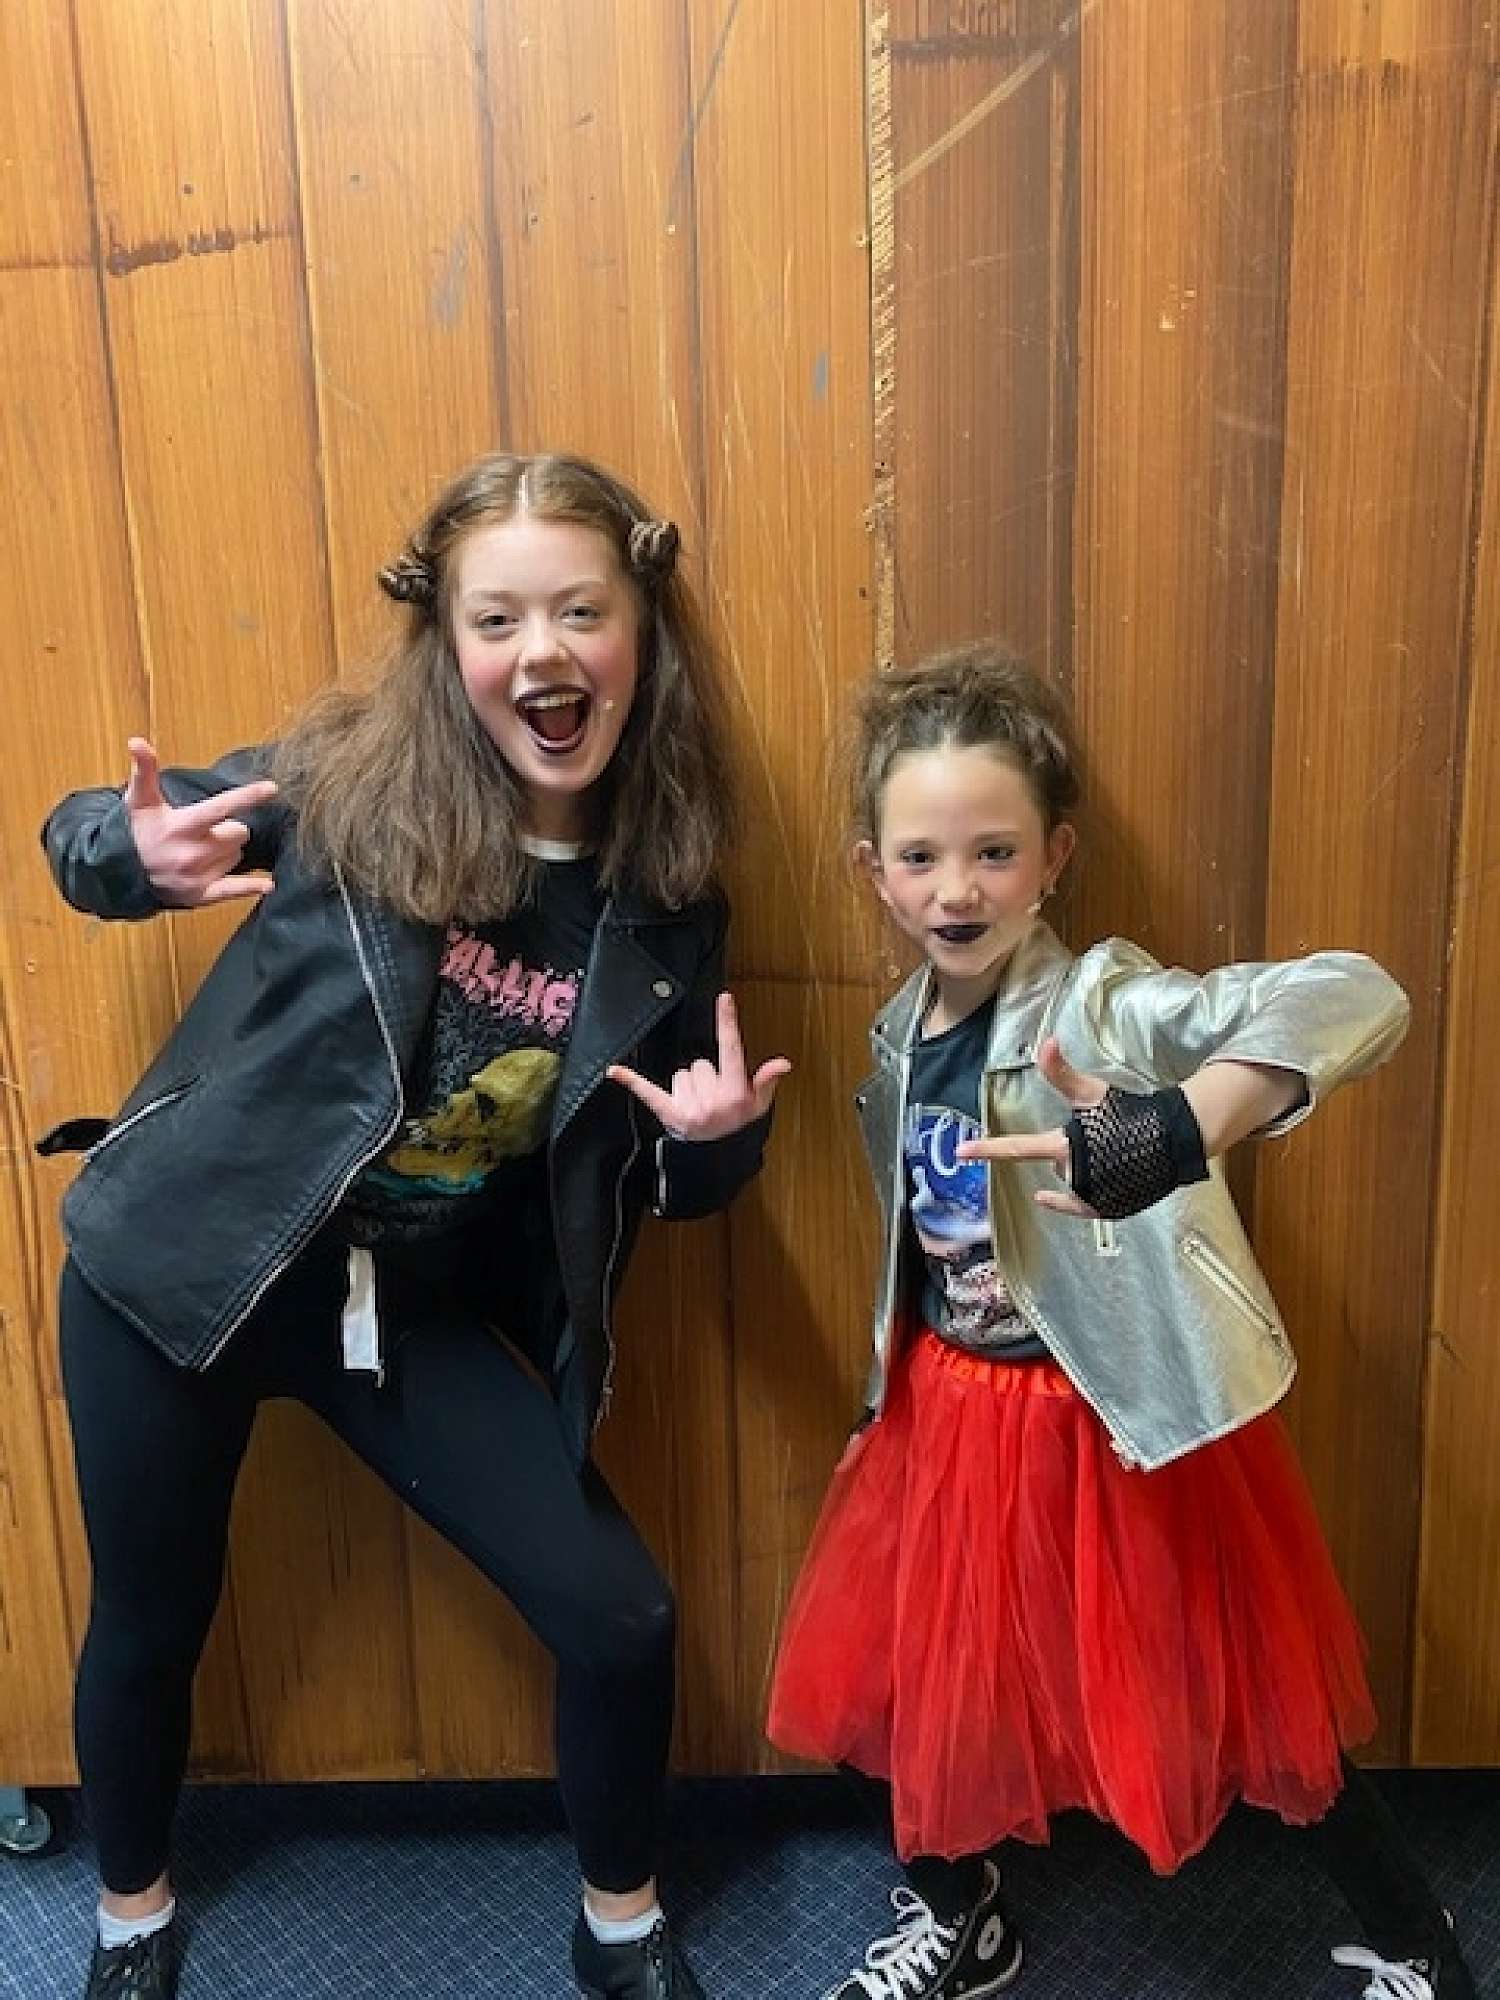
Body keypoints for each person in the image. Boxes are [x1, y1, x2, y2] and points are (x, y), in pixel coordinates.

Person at [40, 450, 789, 2000]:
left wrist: (718, 1153)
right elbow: (85, 834)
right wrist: (129, 854)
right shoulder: (343, 786)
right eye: (496, 618)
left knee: (623, 1617)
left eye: (579, 611)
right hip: (184, 1268)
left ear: (641, 631)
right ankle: (129, 1916)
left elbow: (658, 1171)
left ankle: (622, 1929)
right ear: (448, 645)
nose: (540, 651)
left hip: (397, 1310)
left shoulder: (666, 898)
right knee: (152, 1617)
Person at [767, 643, 1473, 2000]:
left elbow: (1356, 994)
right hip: (952, 1415)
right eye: (920, 857)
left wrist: (1184, 1122)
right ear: (873, 873)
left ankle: (1420, 1950)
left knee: (1263, 1704)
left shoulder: (1100, 1003)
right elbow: (916, 1246)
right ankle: (965, 1917)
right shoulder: (895, 1034)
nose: (956, 889)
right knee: (920, 1692)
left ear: (1055, 858)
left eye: (994, 851)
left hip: (1115, 1424)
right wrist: (881, 1395)